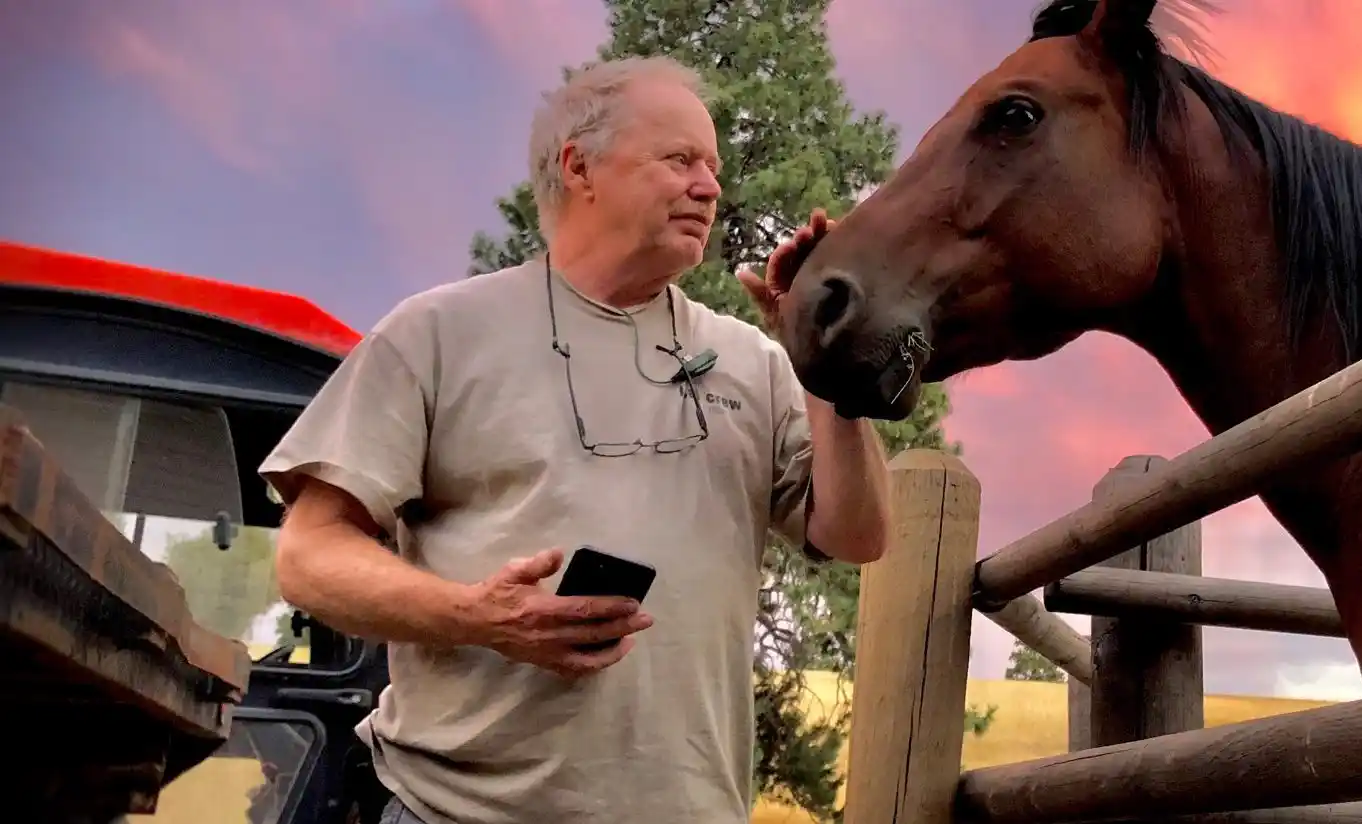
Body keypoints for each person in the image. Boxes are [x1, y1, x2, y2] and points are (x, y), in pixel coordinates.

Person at [260, 55, 892, 824]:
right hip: (456, 811)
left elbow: (856, 536)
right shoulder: (437, 333)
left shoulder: (752, 361)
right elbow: (309, 556)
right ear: (580, 166)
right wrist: (477, 616)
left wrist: (821, 359)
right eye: (680, 159)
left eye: (715, 166)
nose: (711, 186)